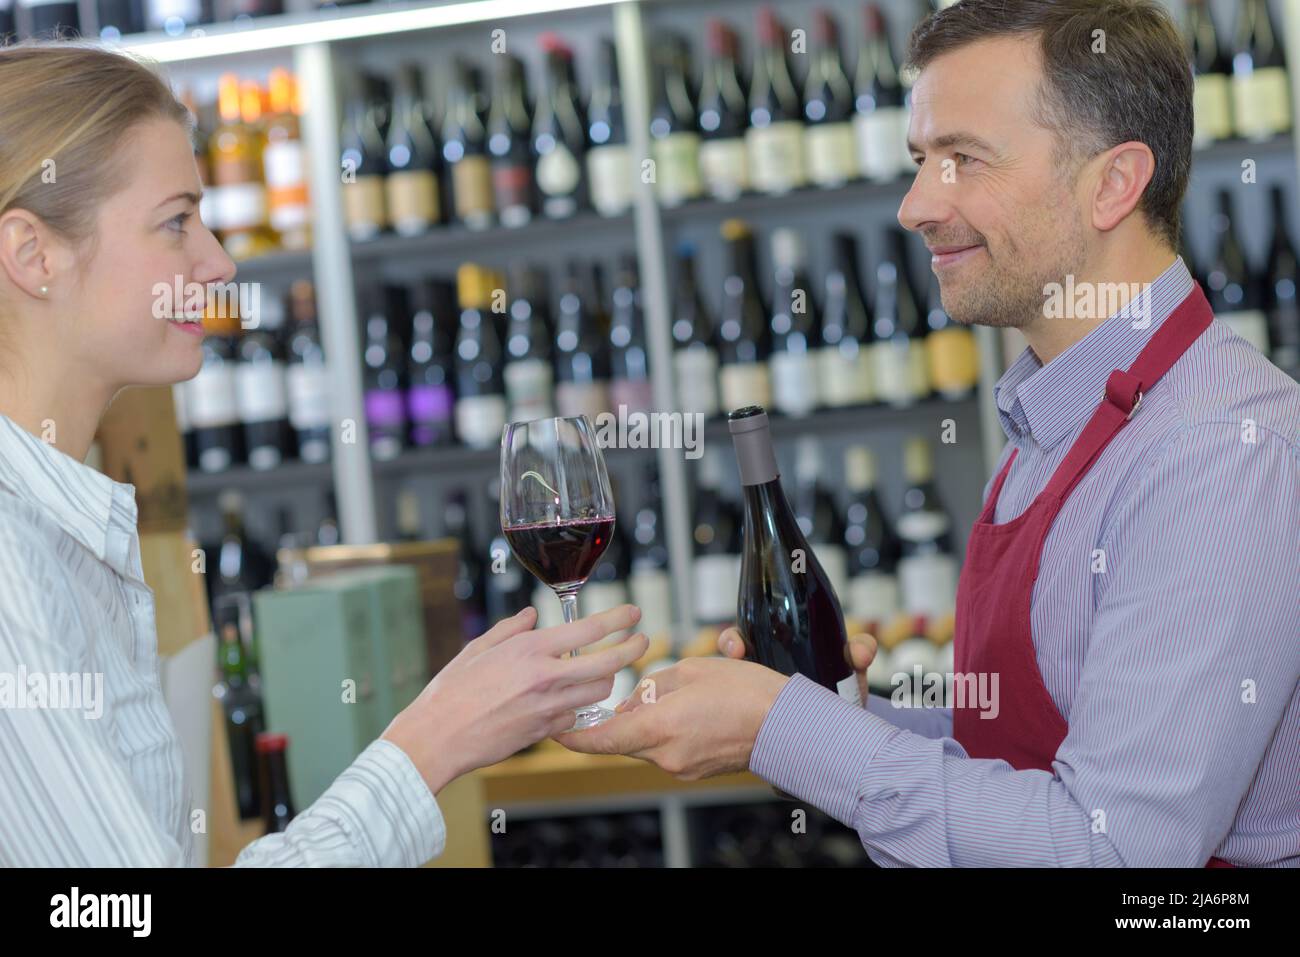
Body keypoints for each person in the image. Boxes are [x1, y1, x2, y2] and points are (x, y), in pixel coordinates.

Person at [560, 0, 1300, 867]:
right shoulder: (1050, 413)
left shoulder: (1213, 452)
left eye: (963, 160)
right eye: (920, 161)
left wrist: (778, 727)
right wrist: (835, 723)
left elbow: (1114, 854)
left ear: (1112, 183)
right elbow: (1040, 738)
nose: (915, 206)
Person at [0, 40, 648, 867]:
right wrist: (431, 741)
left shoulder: (61, 518)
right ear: (33, 255)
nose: (219, 261)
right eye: (175, 221)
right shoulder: (12, 558)